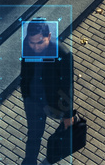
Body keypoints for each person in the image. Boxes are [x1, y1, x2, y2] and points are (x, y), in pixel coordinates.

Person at [20, 21, 74, 165]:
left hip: (53, 101)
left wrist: (68, 115)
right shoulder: (27, 44)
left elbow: (67, 86)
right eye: (32, 43)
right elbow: (24, 71)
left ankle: (50, 159)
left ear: (49, 36)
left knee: (63, 133)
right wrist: (25, 93)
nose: (35, 47)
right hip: (32, 100)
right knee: (34, 135)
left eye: (40, 42)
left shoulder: (63, 54)